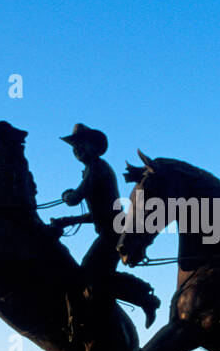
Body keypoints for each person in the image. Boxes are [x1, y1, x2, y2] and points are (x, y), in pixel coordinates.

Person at [50, 123, 158, 336]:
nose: (77, 149)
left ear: (93, 146)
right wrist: (67, 220)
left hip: (113, 232)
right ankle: (145, 297)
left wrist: (66, 196)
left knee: (87, 275)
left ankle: (144, 298)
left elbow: (74, 199)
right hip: (111, 229)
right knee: (98, 276)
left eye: (81, 144)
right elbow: (100, 213)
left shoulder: (97, 168)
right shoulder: (95, 169)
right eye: (75, 146)